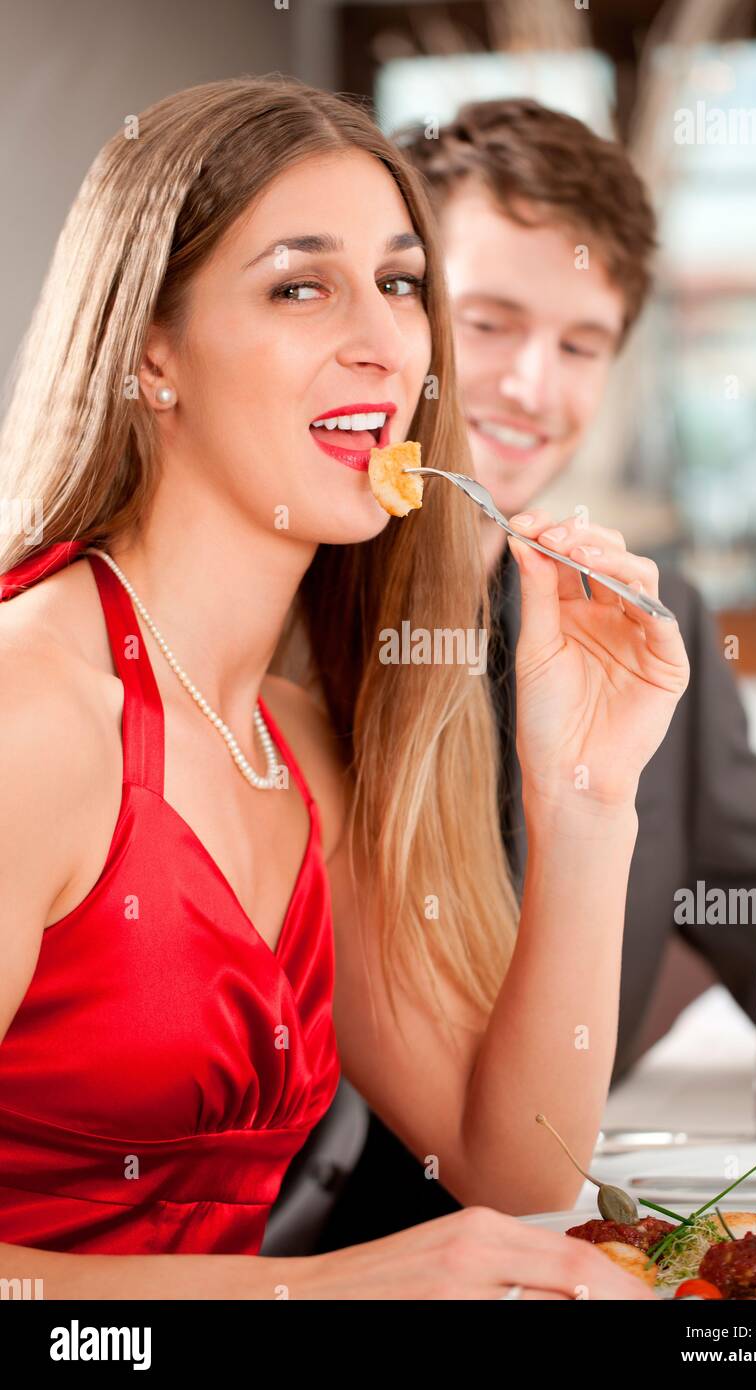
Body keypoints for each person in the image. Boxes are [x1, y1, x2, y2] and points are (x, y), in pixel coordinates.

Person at [0, 76, 689, 1300]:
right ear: (151, 353)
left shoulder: (294, 744)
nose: (383, 339)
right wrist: (319, 1292)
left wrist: (587, 800)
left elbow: (514, 1166)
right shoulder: (30, 712)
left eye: (400, 282)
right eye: (299, 284)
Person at [305, 97, 756, 1254]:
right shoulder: (287, 611)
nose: (527, 385)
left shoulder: (646, 624)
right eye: (488, 322)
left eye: (579, 344)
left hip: (553, 1235)